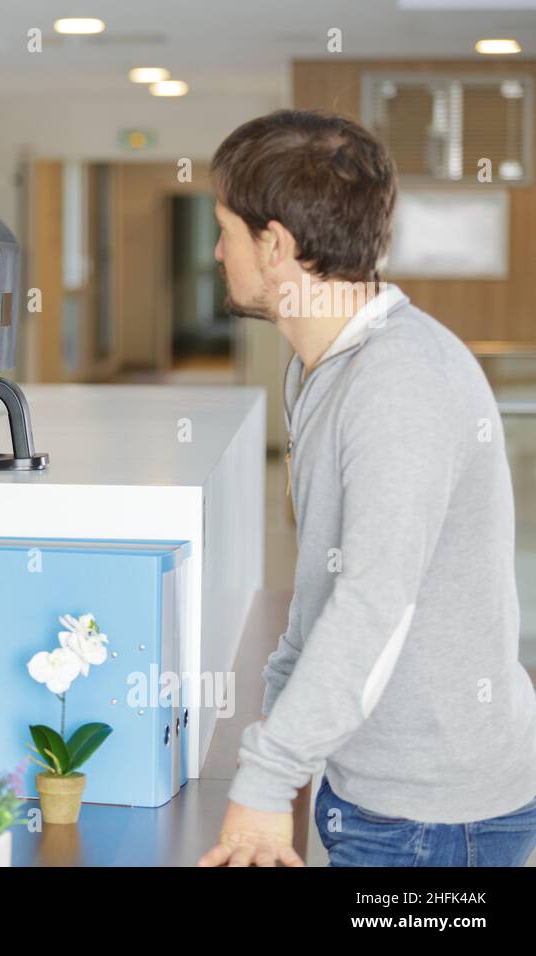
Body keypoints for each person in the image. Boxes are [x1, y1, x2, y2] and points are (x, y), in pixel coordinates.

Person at [195, 110, 536, 867]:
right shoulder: (322, 368)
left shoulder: (398, 383)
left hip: (435, 817)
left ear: (275, 244)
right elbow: (325, 580)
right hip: (373, 783)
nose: (217, 251)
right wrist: (281, 742)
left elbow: (373, 604)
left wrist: (267, 775)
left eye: (225, 229)